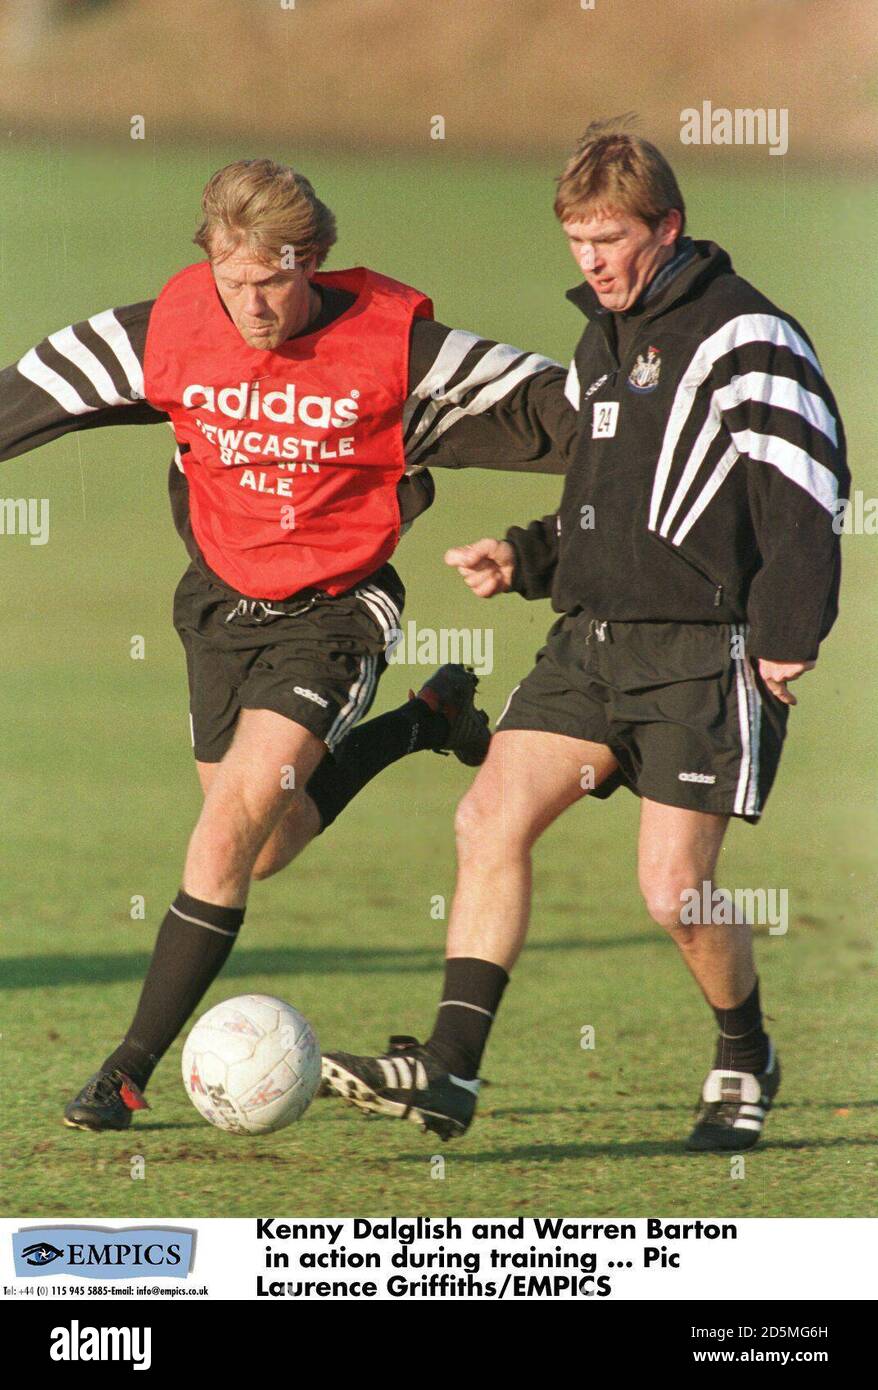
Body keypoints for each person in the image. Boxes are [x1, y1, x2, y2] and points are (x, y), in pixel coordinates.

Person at [0, 158, 576, 1131]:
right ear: (210, 264)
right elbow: (40, 387)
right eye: (235, 282)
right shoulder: (167, 329)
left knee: (222, 835)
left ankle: (126, 1071)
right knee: (263, 850)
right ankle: (421, 725)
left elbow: (556, 410)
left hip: (336, 613)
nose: (254, 304)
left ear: (309, 260)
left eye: (274, 278)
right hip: (220, 607)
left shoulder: (396, 348)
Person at [321, 123, 849, 1149]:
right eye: (575, 241)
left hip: (704, 652)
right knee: (487, 820)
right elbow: (608, 502)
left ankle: (743, 1051)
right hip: (589, 642)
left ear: (668, 226)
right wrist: (527, 556)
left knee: (671, 891)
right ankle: (450, 1069)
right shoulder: (600, 342)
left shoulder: (747, 335)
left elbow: (805, 492)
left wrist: (788, 635)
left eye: (608, 238)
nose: (591, 261)